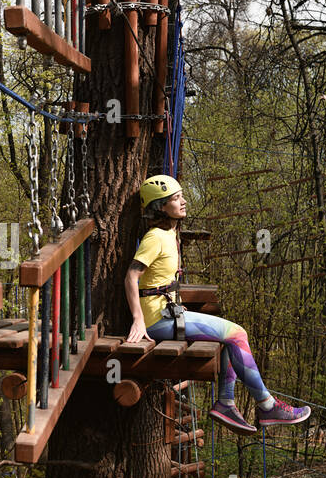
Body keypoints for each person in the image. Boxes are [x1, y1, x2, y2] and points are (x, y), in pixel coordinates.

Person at [124, 174, 310, 434]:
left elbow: (161, 280)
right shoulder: (155, 237)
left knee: (228, 341)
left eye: (181, 196)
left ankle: (226, 402)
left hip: (166, 313)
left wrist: (176, 305)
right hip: (156, 321)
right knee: (237, 334)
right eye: (176, 198)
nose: (184, 201)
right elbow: (132, 276)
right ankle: (266, 406)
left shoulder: (169, 234)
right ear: (160, 206)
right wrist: (138, 319)